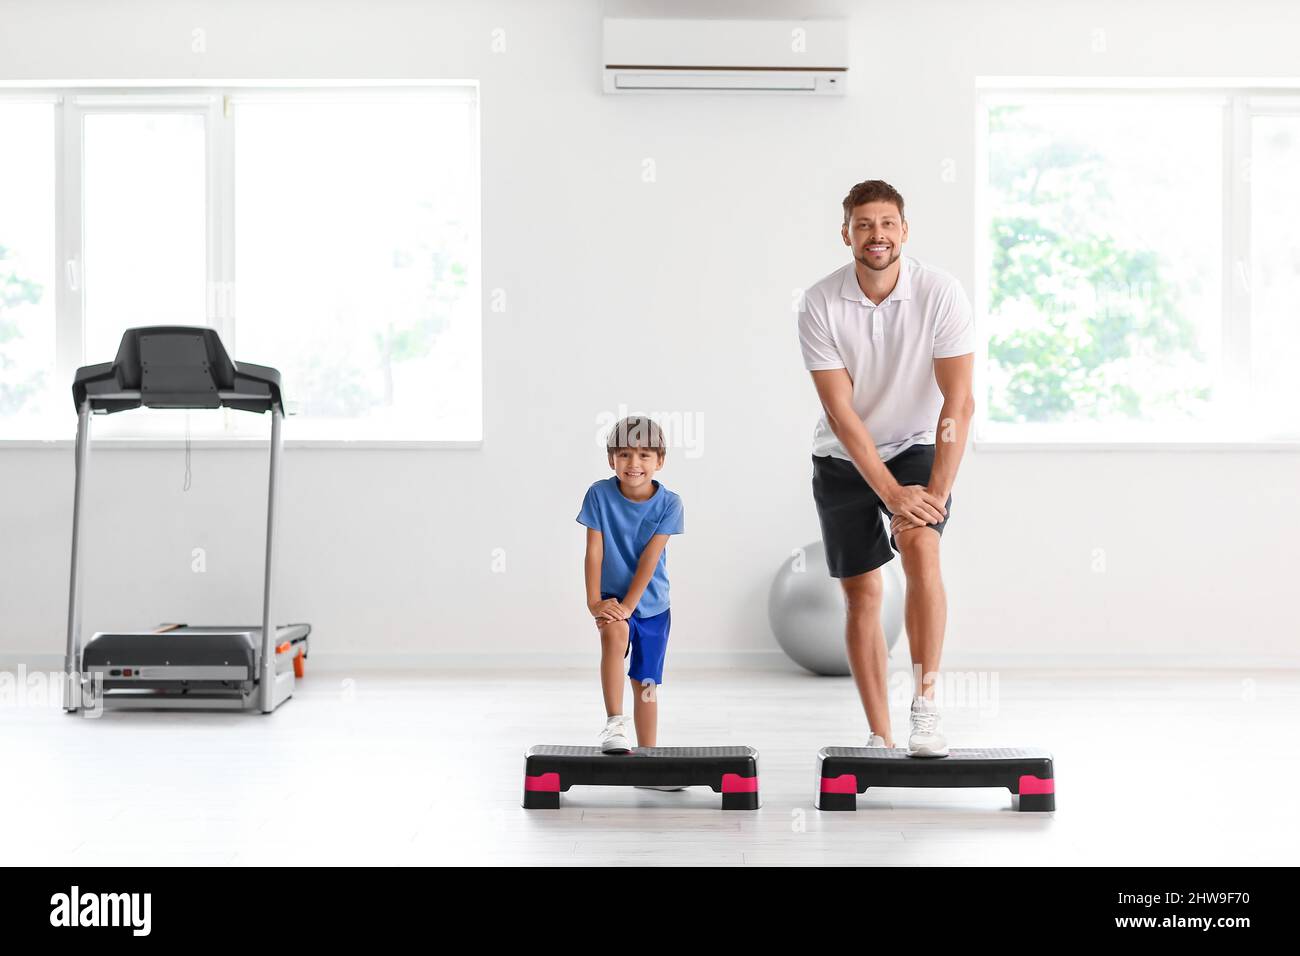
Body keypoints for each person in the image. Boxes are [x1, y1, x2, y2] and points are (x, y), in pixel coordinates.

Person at [797, 179, 976, 757]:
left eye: (887, 223)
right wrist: (891, 494)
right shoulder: (820, 302)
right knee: (862, 594)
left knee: (923, 546)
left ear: (904, 229)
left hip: (918, 442)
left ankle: (925, 710)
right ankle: (879, 733)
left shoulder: (940, 291)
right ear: (845, 233)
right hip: (844, 455)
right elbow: (842, 415)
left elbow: (960, 402)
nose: (877, 235)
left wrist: (934, 495)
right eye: (864, 224)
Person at [577, 415, 685, 755]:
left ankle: (649, 755)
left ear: (660, 461)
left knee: (646, 683)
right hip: (612, 600)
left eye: (643, 455)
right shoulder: (599, 495)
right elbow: (594, 551)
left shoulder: (670, 503)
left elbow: (650, 560)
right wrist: (595, 602)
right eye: (624, 454)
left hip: (653, 606)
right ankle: (614, 724)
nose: (633, 463)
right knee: (614, 634)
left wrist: (631, 605)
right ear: (612, 459)